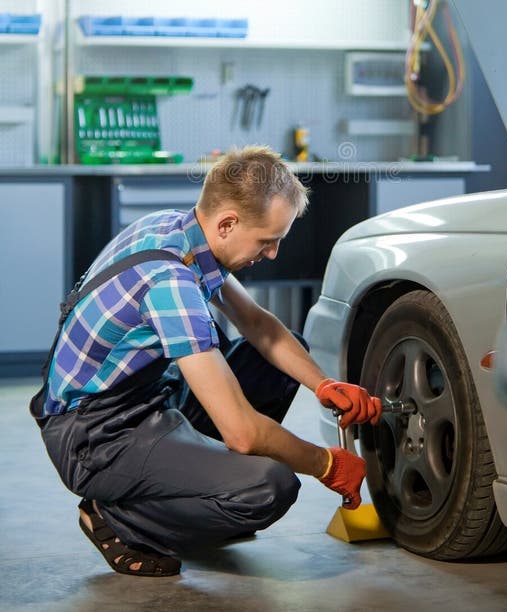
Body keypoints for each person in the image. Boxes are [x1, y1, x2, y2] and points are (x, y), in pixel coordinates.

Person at [30, 146, 381, 577]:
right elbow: (243, 433)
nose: (272, 254)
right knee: (269, 488)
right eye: (267, 240)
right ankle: (118, 519)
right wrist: (326, 464)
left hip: (141, 399)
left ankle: (203, 491)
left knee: (279, 352)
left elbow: (258, 324)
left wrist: (323, 385)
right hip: (94, 436)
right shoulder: (169, 282)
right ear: (228, 223)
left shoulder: (175, 230)